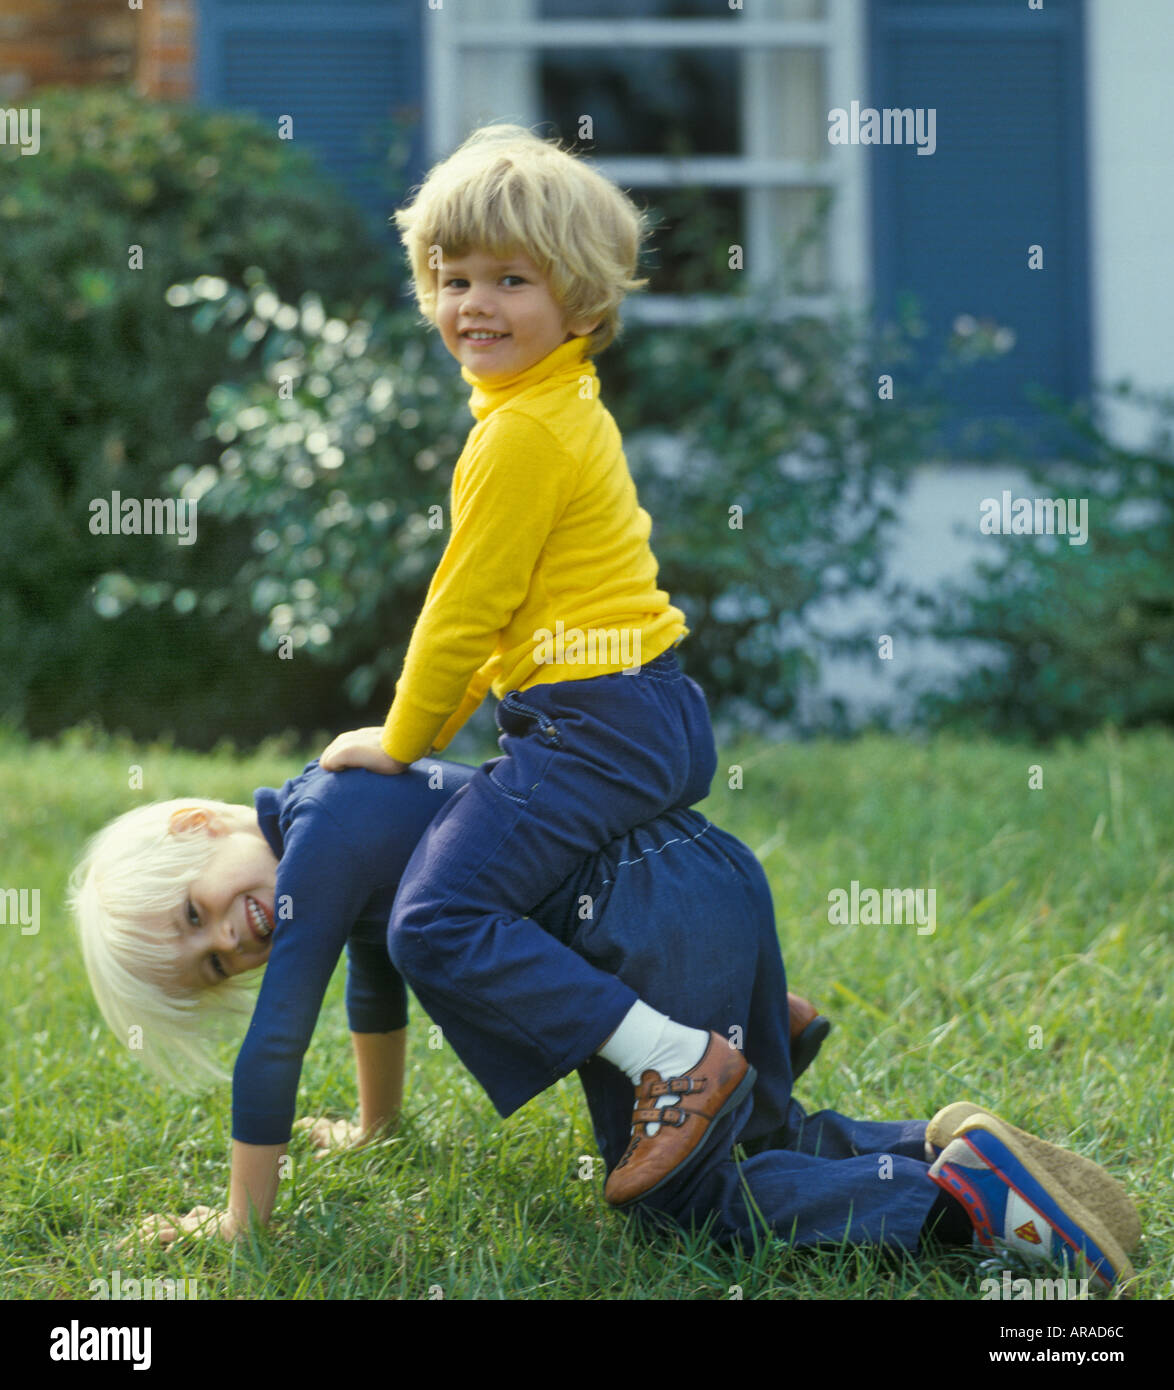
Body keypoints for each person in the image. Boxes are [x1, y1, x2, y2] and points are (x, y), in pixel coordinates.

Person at [71, 757, 1141, 1291]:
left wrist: (242, 1222)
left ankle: (959, 1212)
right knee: (749, 1139)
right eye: (215, 959)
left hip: (639, 929)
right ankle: (931, 1146)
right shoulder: (339, 819)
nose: (234, 935)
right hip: (693, 877)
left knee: (688, 1201)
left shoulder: (325, 827)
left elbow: (275, 1045)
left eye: (197, 907)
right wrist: (373, 1125)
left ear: (199, 822)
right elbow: (373, 989)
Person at [317, 122, 748, 1204]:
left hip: (594, 724)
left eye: (512, 279)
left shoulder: (518, 435)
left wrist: (404, 739)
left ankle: (677, 1055)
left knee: (434, 919)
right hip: (646, 707)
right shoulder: (549, 406)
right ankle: (746, 1010)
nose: (475, 304)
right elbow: (497, 616)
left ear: (583, 303)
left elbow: (459, 614)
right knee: (521, 879)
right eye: (453, 277)